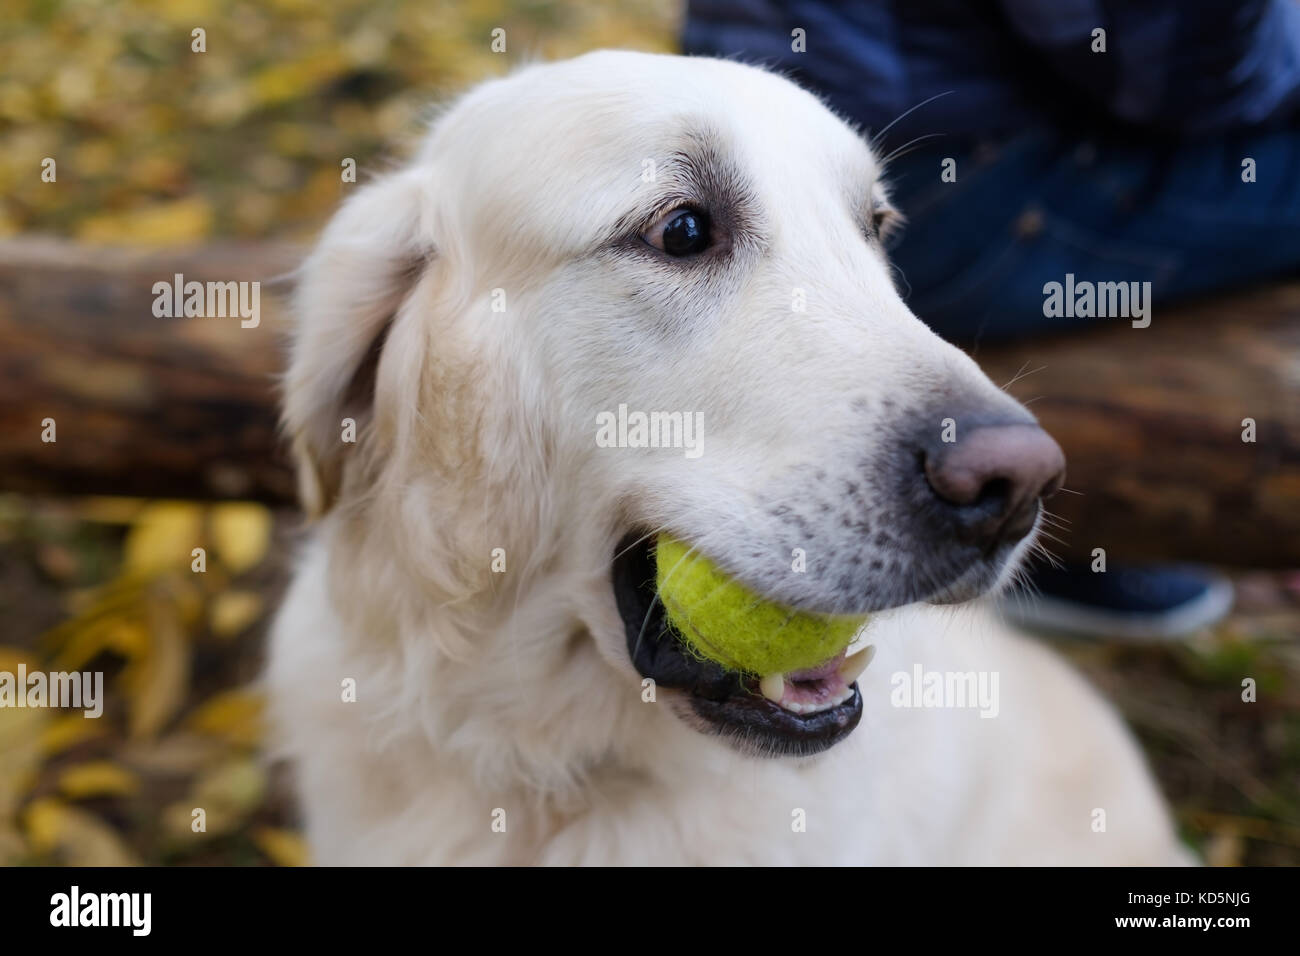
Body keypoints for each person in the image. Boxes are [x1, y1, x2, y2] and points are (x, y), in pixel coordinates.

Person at [683, 0, 1300, 639]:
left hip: (779, 101)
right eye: (684, 236)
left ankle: (1080, 555)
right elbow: (1179, 69)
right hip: (953, 168)